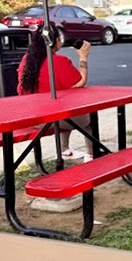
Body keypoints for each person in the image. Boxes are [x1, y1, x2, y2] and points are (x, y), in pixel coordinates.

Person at [17, 26, 94, 161]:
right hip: (51, 119)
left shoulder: (26, 59)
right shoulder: (58, 61)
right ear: (55, 41)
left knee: (64, 108)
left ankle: (65, 150)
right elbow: (80, 82)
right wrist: (83, 57)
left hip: (30, 116)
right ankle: (91, 154)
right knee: (89, 119)